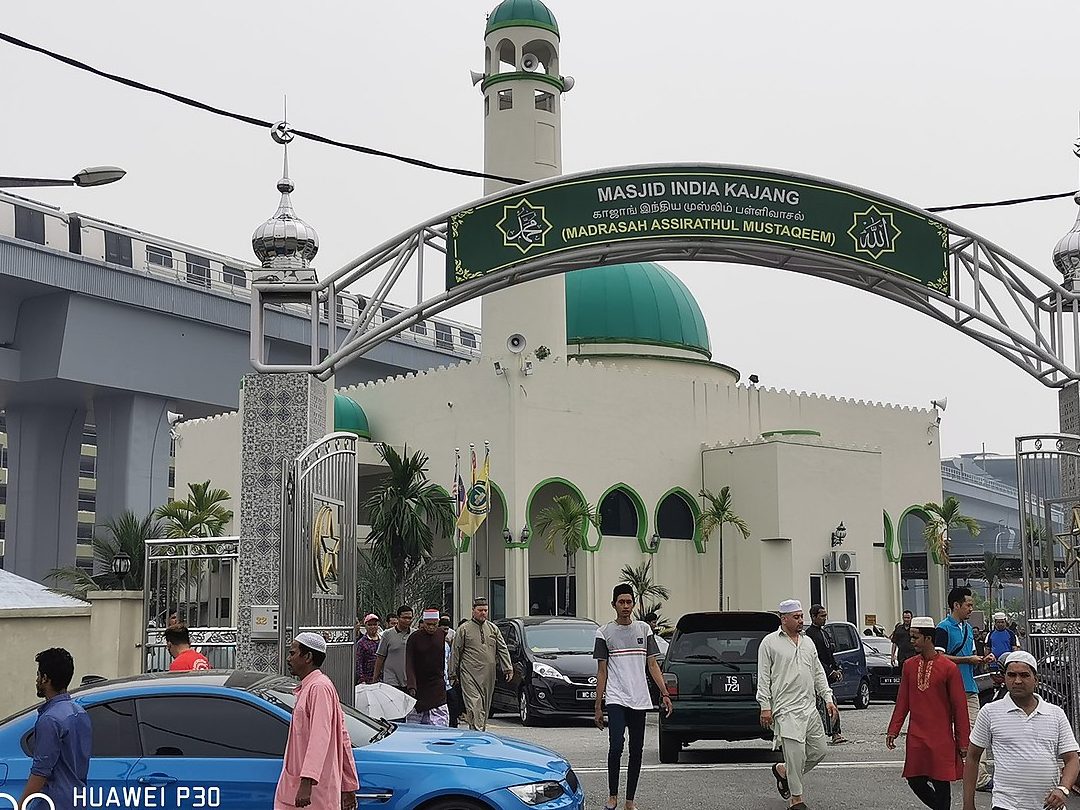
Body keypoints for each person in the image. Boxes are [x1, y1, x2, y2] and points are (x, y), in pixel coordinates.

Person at [963, 651, 1080, 810]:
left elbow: (1072, 759)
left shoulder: (1055, 714)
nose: (1017, 681)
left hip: (1049, 806)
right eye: (1011, 675)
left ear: (1035, 680)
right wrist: (968, 804)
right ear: (1005, 678)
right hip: (1006, 805)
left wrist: (1063, 789)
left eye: (1024, 675)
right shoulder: (990, 712)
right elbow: (972, 757)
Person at [594, 584, 673, 810]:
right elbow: (602, 671)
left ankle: (629, 801)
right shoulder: (604, 633)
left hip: (639, 698)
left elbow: (652, 664)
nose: (625, 606)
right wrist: (598, 705)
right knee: (616, 746)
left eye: (629, 602)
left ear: (634, 604)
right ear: (614, 605)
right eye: (621, 602)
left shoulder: (644, 630)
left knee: (636, 750)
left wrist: (665, 693)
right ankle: (612, 796)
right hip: (616, 697)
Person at [757, 599, 836, 810]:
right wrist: (765, 706)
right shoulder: (769, 643)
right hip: (786, 709)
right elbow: (763, 677)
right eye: (796, 617)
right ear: (784, 619)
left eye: (802, 616)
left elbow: (818, 673)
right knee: (795, 755)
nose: (801, 620)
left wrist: (828, 698)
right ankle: (796, 799)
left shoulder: (808, 642)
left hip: (809, 707)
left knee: (819, 750)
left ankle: (784, 771)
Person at [887, 616, 970, 810]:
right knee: (914, 779)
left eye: (915, 637)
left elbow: (959, 707)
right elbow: (903, 701)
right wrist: (893, 729)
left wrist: (963, 742)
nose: (912, 641)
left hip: (941, 737)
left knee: (941, 782)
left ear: (928, 638)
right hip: (916, 735)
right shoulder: (909, 666)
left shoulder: (949, 668)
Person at [275, 633, 359, 810]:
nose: (288, 659)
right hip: (300, 785)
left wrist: (307, 781)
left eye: (292, 653)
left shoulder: (318, 688)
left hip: (314, 791)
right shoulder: (310, 686)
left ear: (307, 657)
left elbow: (320, 737)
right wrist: (349, 784)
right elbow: (342, 736)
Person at [936, 586, 995, 792]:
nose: (971, 609)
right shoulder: (943, 628)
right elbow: (939, 658)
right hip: (947, 689)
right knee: (944, 732)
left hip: (969, 687)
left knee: (976, 731)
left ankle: (980, 777)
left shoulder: (968, 629)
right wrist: (966, 660)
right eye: (968, 605)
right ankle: (941, 771)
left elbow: (970, 656)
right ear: (956, 605)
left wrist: (982, 660)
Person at [18, 648, 92, 810]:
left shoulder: (50, 719)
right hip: (78, 800)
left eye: (38, 675)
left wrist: (20, 805)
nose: (36, 680)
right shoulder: (80, 712)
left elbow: (40, 772)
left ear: (45, 678)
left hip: (54, 802)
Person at [447, 596, 512, 731]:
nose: (483, 613)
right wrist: (452, 673)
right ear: (473, 610)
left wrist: (508, 668)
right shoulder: (464, 629)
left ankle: (479, 730)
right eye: (480, 610)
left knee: (485, 705)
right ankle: (477, 729)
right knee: (474, 703)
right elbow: (456, 651)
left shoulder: (493, 629)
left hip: (488, 674)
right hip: (469, 673)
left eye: (485, 610)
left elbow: (502, 649)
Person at [805, 605, 847, 745]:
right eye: (822, 616)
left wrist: (836, 669)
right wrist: (829, 671)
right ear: (813, 617)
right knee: (820, 706)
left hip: (827, 676)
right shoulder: (809, 635)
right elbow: (815, 659)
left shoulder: (824, 633)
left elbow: (830, 654)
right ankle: (824, 733)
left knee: (830, 702)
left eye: (825, 615)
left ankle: (835, 732)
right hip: (816, 676)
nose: (824, 619)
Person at [405, 608, 450, 726]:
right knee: (415, 724)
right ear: (423, 623)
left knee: (440, 724)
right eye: (428, 624)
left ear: (438, 622)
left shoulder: (441, 635)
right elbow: (409, 663)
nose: (431, 627)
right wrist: (411, 685)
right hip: (419, 685)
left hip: (437, 685)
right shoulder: (414, 638)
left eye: (434, 624)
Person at [373, 605, 413, 690]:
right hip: (391, 680)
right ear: (398, 618)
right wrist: (375, 677)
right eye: (404, 618)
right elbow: (380, 657)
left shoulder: (414, 634)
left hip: (409, 680)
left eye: (409, 618)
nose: (407, 620)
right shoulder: (387, 634)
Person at [355, 613, 382, 685]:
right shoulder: (361, 643)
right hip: (368, 680)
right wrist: (362, 679)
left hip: (382, 679)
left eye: (375, 624)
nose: (373, 627)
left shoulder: (382, 640)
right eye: (370, 625)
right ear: (365, 626)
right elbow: (358, 663)